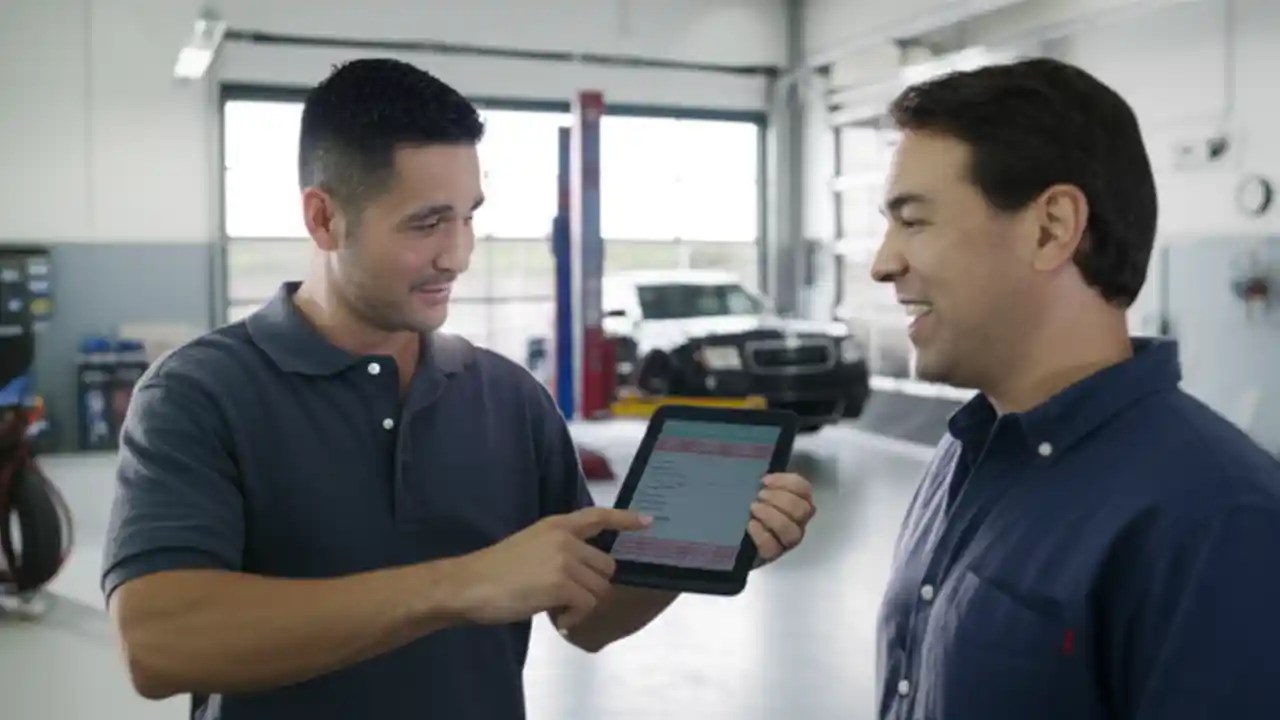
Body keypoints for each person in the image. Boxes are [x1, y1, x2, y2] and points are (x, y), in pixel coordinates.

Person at [101, 58, 817, 720]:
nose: (459, 254)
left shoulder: (509, 399)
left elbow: (588, 617)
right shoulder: (200, 393)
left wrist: (704, 546)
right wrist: (461, 585)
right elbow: (160, 644)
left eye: (469, 215)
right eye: (426, 223)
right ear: (323, 218)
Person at [870, 57, 1280, 719]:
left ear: (1051, 227)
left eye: (914, 221)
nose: (882, 262)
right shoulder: (965, 455)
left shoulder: (1218, 519)